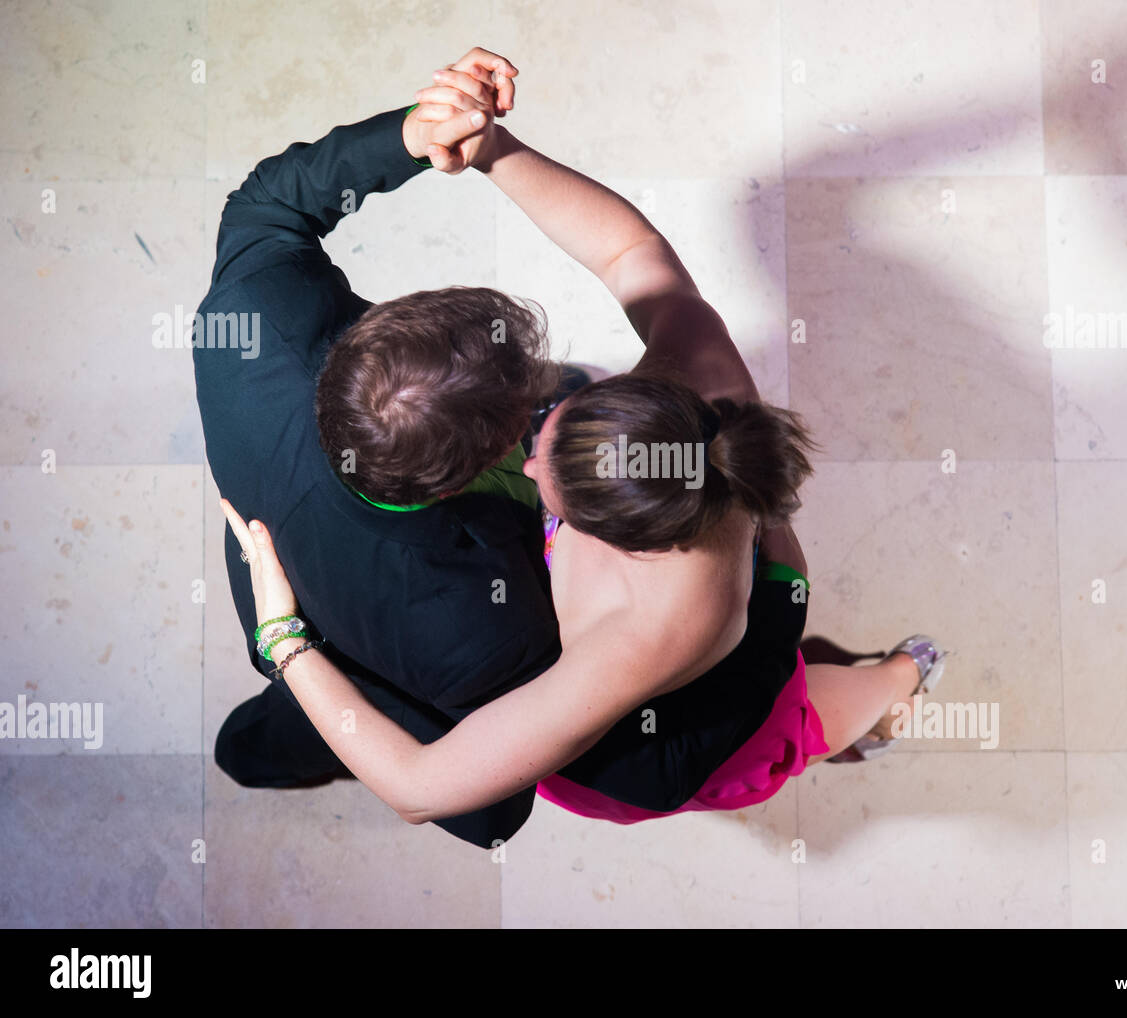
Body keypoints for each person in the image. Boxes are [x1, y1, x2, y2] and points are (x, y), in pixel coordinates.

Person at [217, 54, 950, 829]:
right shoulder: (703, 373)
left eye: (543, 466)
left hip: (692, 724)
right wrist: (491, 147)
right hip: (717, 542)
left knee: (793, 714)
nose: (527, 459)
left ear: (621, 540)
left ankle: (902, 677)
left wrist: (285, 638)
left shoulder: (642, 632)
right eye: (551, 429)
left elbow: (423, 787)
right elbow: (628, 252)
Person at [195, 48, 566, 849]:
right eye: (520, 411)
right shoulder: (485, 630)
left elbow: (266, 207)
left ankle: (272, 734)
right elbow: (488, 810)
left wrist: (412, 133)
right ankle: (294, 725)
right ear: (467, 472)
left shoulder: (254, 318)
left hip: (269, 571)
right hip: (363, 643)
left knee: (281, 721)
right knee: (318, 709)